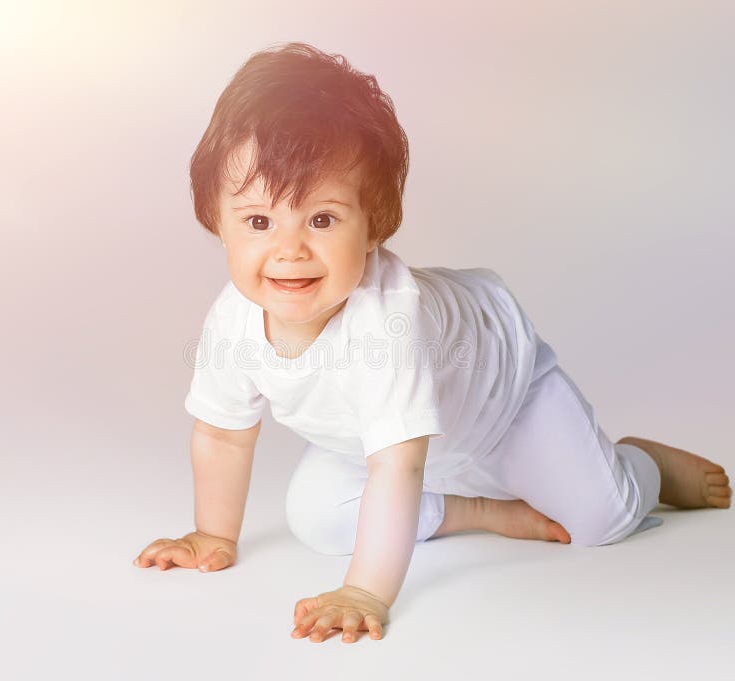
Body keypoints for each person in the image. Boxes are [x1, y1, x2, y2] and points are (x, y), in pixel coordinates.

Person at [133, 41, 731, 644]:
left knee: (601, 519)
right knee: (314, 519)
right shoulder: (234, 321)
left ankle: (645, 465)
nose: (290, 250)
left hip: (503, 403)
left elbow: (398, 465)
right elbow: (220, 434)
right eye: (259, 222)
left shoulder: (386, 321)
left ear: (375, 222)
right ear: (217, 219)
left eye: (322, 219)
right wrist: (212, 535)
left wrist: (364, 589)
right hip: (386, 437)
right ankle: (478, 510)